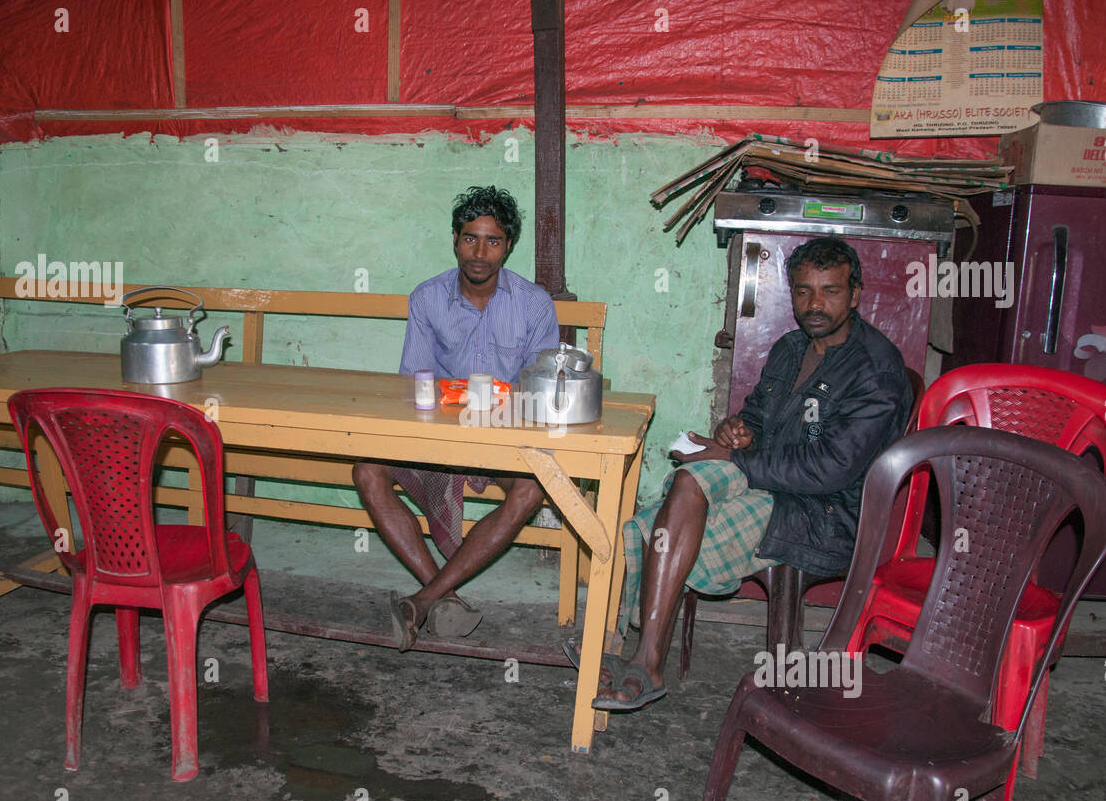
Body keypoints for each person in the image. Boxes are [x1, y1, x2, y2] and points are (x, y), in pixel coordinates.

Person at [589, 236, 913, 711]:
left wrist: (733, 459)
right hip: (774, 483)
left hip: (826, 516)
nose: (815, 304)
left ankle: (644, 661)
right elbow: (760, 416)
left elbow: (831, 469)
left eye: (830, 291)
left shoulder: (876, 371)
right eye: (803, 291)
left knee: (668, 520)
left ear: (857, 294)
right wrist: (738, 431)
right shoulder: (790, 348)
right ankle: (629, 649)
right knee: (686, 480)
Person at [353, 186, 560, 651]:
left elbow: (538, 393)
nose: (479, 252)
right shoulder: (428, 298)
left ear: (509, 245)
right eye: (470, 239)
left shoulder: (533, 305)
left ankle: (423, 600)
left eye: (492, 241)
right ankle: (438, 598)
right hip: (437, 440)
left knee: (530, 488)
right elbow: (416, 384)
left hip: (503, 442)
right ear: (454, 239)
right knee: (367, 470)